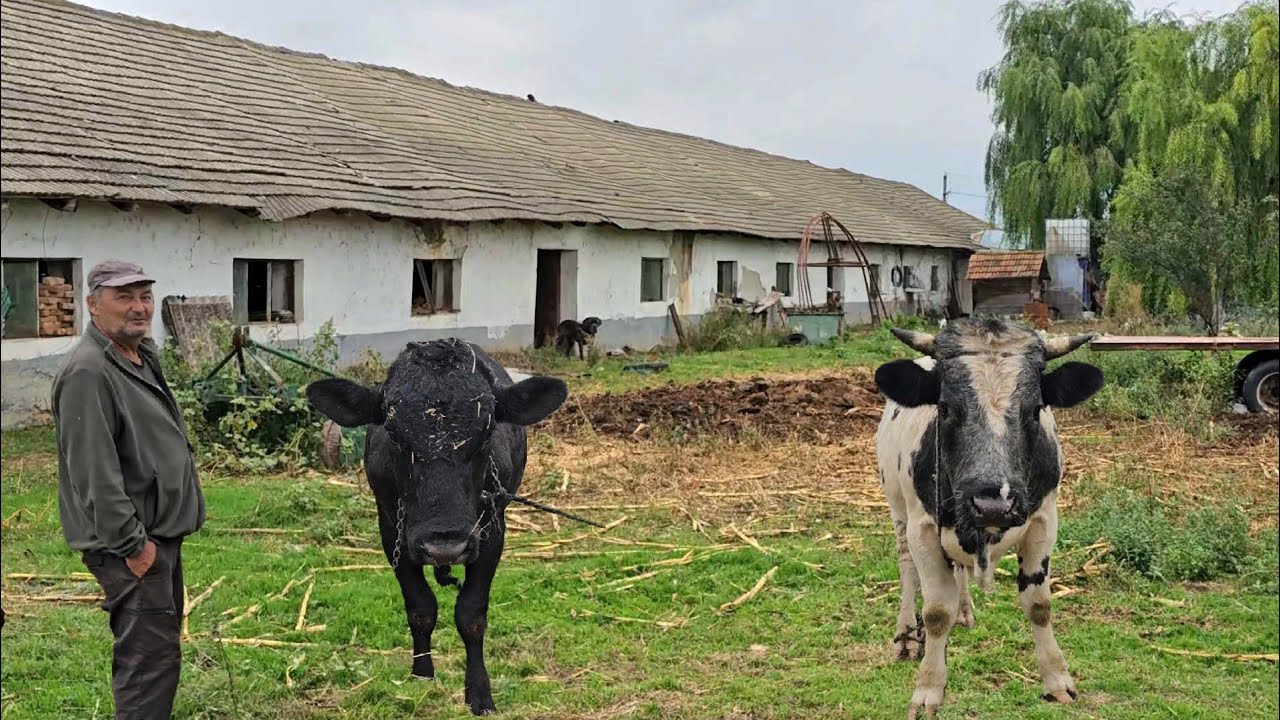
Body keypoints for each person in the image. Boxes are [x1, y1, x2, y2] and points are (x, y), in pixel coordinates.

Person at [52, 260, 205, 720]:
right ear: (93, 305)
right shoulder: (88, 372)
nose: (139, 307)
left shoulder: (138, 355)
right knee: (148, 667)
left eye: (144, 296)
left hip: (156, 536)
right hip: (131, 545)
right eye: (124, 297)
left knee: (159, 656)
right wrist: (134, 547)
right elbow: (93, 473)